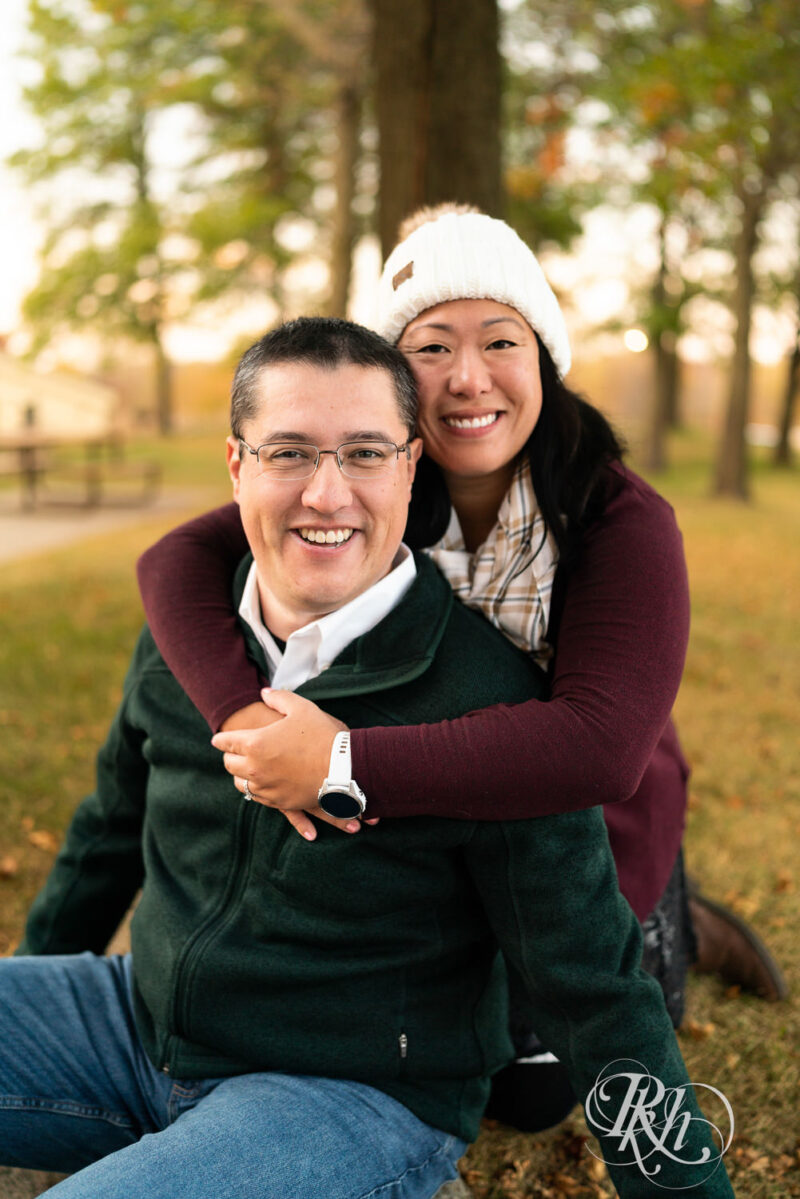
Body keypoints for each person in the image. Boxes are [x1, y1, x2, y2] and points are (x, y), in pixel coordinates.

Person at [2, 317, 734, 1198]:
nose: (326, 494)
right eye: (289, 453)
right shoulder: (187, 641)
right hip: (137, 1021)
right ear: (236, 465)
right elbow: (106, 835)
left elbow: (595, 989)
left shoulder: (491, 705)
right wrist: (30, 997)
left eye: (363, 453)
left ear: (411, 466)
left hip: (348, 1097)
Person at [136, 208, 786, 1130]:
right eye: (432, 347)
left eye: (500, 340)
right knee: (455, 1031)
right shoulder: (378, 477)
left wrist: (340, 765)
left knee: (532, 1096)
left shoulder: (617, 517)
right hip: (439, 830)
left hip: (588, 823)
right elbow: (172, 562)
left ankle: (679, 916)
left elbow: (600, 748)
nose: (467, 377)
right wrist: (246, 721)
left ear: (544, 356)